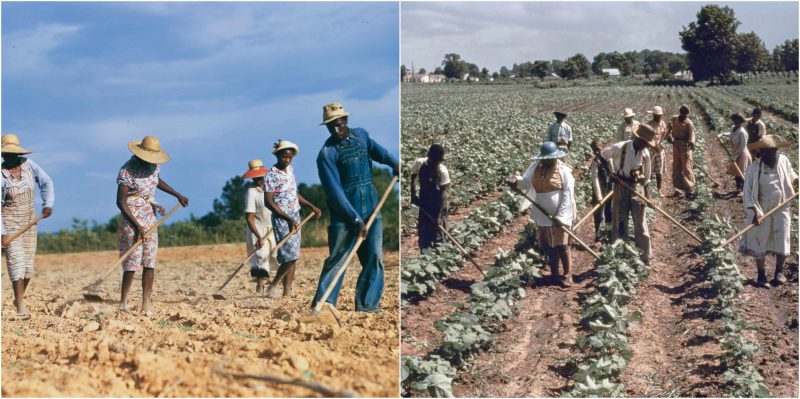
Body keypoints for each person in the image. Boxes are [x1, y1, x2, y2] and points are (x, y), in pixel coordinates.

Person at [313, 102, 399, 312]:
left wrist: (395, 164)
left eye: (339, 124)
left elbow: (381, 153)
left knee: (374, 257)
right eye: (330, 126)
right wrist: (355, 219)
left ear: (346, 121)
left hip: (371, 207)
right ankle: (324, 305)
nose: (336, 129)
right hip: (344, 214)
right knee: (338, 259)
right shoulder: (327, 154)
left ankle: (368, 305)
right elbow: (335, 193)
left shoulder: (362, 136)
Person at [117, 135, 188, 315]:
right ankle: (123, 302)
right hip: (131, 215)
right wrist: (137, 226)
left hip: (149, 215)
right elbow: (120, 201)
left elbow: (156, 180)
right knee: (133, 259)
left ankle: (146, 303)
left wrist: (176, 194)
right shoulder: (127, 170)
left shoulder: (154, 166)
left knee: (149, 259)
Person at [507, 142, 576, 286]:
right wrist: (516, 181)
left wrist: (561, 217)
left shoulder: (563, 171)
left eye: (549, 159)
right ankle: (555, 274)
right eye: (545, 159)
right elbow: (525, 182)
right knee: (549, 246)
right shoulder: (535, 167)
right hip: (541, 213)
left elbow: (567, 195)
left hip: (560, 213)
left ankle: (568, 274)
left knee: (562, 245)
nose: (546, 161)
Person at [1, 134, 54, 320]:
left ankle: (19, 298)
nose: (10, 157)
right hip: (10, 222)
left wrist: (47, 204)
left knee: (28, 267)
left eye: (12, 154)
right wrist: (2, 233)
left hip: (30, 221)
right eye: (6, 154)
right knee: (16, 263)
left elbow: (46, 182)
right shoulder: (1, 174)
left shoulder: (29, 165)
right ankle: (20, 304)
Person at [264, 140, 321, 299]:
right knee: (289, 256)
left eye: (289, 157)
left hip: (295, 214)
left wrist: (310, 205)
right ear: (277, 156)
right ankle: (274, 284)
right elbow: (268, 202)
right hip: (281, 218)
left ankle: (286, 292)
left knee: (294, 256)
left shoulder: (290, 171)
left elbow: (294, 193)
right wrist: (287, 218)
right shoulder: (271, 175)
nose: (287, 160)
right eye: (284, 157)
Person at [739, 135, 798, 287]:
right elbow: (748, 190)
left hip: (782, 206)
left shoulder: (783, 161)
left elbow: (790, 174)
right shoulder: (754, 168)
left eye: (771, 152)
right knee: (760, 240)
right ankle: (761, 275)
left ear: (776, 151)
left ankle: (779, 272)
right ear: (761, 152)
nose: (768, 155)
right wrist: (754, 211)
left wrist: (796, 180)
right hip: (762, 209)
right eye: (764, 152)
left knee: (782, 238)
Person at [600, 124, 657, 265]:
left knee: (640, 223)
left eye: (647, 143)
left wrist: (648, 196)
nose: (645, 145)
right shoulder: (621, 147)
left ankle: (645, 256)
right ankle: (621, 254)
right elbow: (602, 155)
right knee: (620, 220)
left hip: (637, 188)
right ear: (637, 138)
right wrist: (609, 173)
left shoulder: (645, 154)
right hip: (620, 185)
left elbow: (647, 178)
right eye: (644, 142)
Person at [242, 159, 278, 293]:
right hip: (257, 229)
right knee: (261, 258)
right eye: (255, 176)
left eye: (260, 176)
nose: (259, 179)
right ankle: (259, 288)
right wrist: (259, 237)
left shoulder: (270, 187)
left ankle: (274, 287)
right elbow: (249, 218)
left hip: (272, 227)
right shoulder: (251, 192)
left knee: (275, 256)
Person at [410, 144, 450, 250]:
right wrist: (413, 194)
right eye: (435, 160)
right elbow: (413, 176)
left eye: (438, 161)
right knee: (423, 229)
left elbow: (442, 195)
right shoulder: (419, 163)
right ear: (429, 157)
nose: (436, 163)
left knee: (439, 230)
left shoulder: (443, 171)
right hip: (425, 199)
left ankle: (440, 251)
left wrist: (439, 217)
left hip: (439, 202)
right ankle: (425, 251)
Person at [666, 104, 696, 197]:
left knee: (687, 168)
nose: (683, 115)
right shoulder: (674, 119)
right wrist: (669, 136)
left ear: (687, 114)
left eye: (685, 114)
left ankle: (690, 189)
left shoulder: (689, 123)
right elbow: (669, 129)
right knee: (676, 166)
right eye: (682, 113)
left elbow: (692, 137)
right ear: (680, 112)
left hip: (685, 147)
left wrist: (691, 144)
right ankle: (678, 189)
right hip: (676, 145)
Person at [718, 113, 751, 193]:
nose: (736, 122)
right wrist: (723, 135)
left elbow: (742, 146)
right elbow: (731, 134)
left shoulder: (742, 132)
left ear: (741, 121)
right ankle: (738, 188)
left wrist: (734, 156)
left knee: (741, 172)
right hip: (735, 153)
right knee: (736, 172)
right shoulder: (733, 128)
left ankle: (743, 190)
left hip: (742, 154)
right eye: (735, 120)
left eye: (738, 120)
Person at [589, 139, 613, 241]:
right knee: (599, 213)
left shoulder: (609, 159)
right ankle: (599, 235)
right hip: (600, 188)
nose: (597, 152)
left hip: (611, 188)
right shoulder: (595, 162)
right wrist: (599, 196)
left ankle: (609, 234)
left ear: (603, 147)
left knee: (610, 211)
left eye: (598, 149)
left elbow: (614, 172)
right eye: (594, 150)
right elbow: (595, 179)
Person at [646, 106, 669, 193]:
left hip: (659, 150)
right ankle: (649, 190)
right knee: (649, 171)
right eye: (655, 115)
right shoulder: (649, 124)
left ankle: (659, 190)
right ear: (653, 115)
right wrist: (653, 146)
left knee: (659, 172)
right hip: (650, 150)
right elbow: (646, 138)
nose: (657, 117)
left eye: (659, 115)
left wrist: (660, 144)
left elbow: (664, 136)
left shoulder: (663, 123)